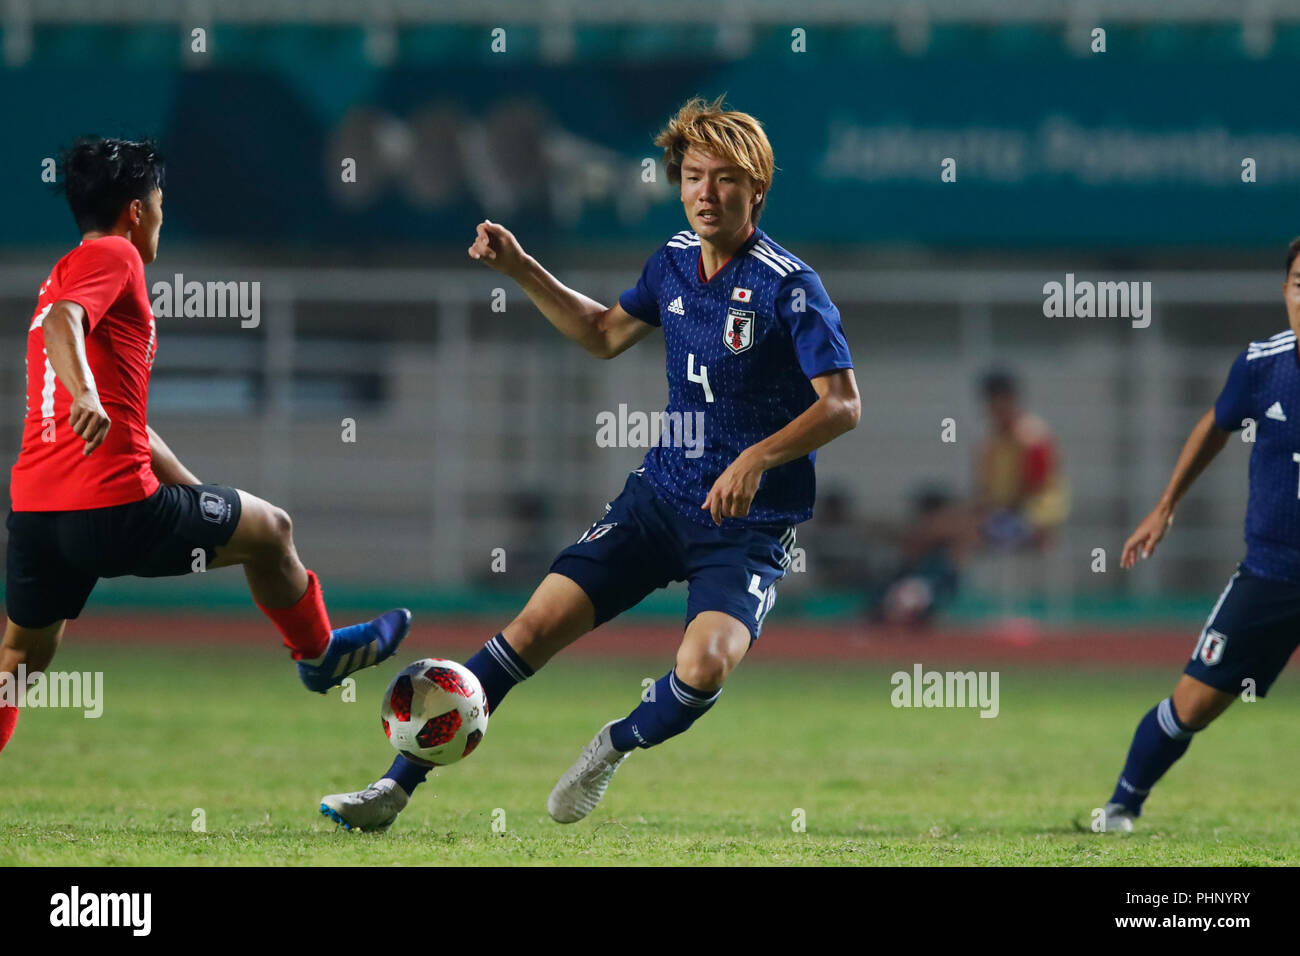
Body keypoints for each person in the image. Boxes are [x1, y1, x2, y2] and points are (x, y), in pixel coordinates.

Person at [319, 95, 860, 831]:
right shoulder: (671, 262)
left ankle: (613, 745)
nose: (707, 192)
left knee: (703, 671)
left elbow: (842, 404)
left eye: (726, 178)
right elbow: (604, 334)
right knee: (529, 631)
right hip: (658, 500)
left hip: (746, 525)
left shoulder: (789, 284)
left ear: (757, 191)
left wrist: (757, 460)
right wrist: (519, 266)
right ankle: (392, 790)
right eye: (695, 176)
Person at [0, 137, 410, 758]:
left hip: (36, 516)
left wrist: (195, 493)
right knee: (272, 530)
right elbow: (66, 325)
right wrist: (84, 395)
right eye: (159, 198)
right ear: (137, 210)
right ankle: (322, 657)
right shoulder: (116, 255)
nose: (162, 211)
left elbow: (124, 415)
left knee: (19, 663)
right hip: (114, 510)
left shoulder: (61, 270)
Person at [1098, 238, 1300, 831]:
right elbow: (1215, 426)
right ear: (1285, 290)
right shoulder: (1263, 367)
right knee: (1194, 703)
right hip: (1273, 573)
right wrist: (1165, 506)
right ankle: (1121, 805)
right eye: (1298, 281)